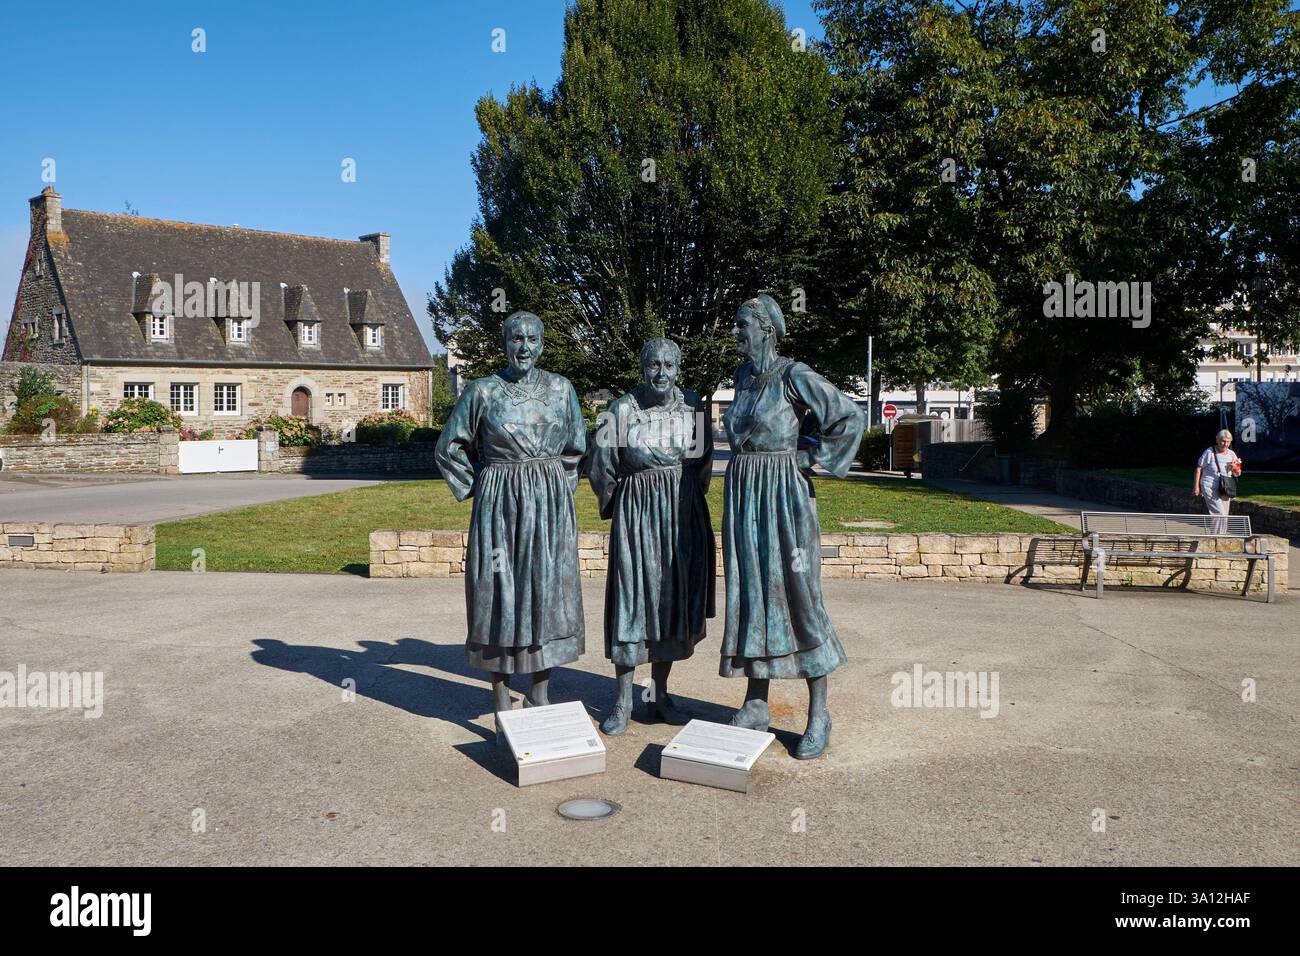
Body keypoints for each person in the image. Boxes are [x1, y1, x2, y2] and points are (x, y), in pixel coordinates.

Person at [721, 294, 865, 759]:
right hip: (744, 494)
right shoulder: (742, 377)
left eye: (743, 324)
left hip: (784, 496)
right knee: (753, 593)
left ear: (767, 327)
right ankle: (756, 702)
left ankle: (818, 711)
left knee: (798, 595)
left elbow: (848, 415)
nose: (737, 332)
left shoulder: (793, 374)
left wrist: (813, 457)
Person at [434, 311, 587, 739]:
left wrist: (556, 487)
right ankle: (500, 697)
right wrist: (482, 487)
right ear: (505, 343)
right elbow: (450, 446)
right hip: (499, 500)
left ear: (542, 344)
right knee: (497, 592)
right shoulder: (483, 391)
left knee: (547, 592)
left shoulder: (561, 389)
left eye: (532, 339)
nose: (524, 347)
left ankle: (540, 691)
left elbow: (576, 446)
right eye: (516, 338)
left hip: (550, 504)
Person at [587, 338, 715, 735]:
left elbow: (702, 463)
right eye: (654, 365)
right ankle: (623, 699)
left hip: (681, 512)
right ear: (642, 367)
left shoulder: (693, 405)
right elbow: (600, 467)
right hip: (638, 514)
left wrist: (689, 504)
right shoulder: (620, 410)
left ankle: (659, 693)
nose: (661, 373)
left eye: (669, 365)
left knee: (670, 601)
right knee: (633, 598)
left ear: (679, 368)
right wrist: (622, 506)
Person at [1194, 429, 1242, 530]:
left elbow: (1237, 473)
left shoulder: (1232, 454)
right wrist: (1196, 487)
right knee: (1218, 512)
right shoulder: (1209, 452)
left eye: (1228, 441)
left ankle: (1221, 537)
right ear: (1217, 440)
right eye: (1223, 441)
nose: (1225, 444)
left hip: (1225, 487)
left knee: (1224, 514)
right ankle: (1216, 538)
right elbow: (1199, 469)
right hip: (1209, 485)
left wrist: (1235, 468)